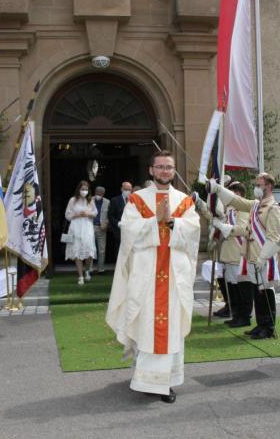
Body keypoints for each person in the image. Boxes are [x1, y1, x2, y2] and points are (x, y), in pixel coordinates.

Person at [106, 150, 200, 403]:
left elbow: (193, 233)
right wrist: (154, 221)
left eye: (169, 167)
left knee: (170, 330)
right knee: (145, 325)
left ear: (173, 170)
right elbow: (128, 233)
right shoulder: (137, 200)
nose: (165, 171)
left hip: (174, 277)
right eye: (160, 167)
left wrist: (172, 222)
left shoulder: (184, 201)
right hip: (146, 276)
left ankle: (164, 383)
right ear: (151, 170)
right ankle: (144, 378)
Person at [208, 173, 280, 338]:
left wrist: (263, 257)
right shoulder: (255, 205)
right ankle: (260, 324)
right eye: (256, 185)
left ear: (269, 186)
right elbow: (237, 201)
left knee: (265, 292)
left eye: (259, 185)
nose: (256, 188)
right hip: (251, 255)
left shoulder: (273, 208)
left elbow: (274, 237)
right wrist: (218, 189)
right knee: (257, 292)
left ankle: (268, 327)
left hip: (264, 257)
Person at [196, 181, 249, 319]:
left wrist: (224, 227)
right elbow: (213, 215)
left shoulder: (243, 209)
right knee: (227, 283)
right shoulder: (229, 209)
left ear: (239, 194)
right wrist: (200, 203)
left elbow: (243, 229)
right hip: (224, 251)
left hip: (236, 251)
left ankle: (239, 312)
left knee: (237, 285)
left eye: (233, 193)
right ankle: (230, 307)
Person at [64, 180, 97, 285]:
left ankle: (87, 270)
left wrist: (88, 213)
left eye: (86, 189)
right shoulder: (72, 200)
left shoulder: (90, 200)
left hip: (87, 227)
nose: (84, 191)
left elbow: (95, 213)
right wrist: (77, 214)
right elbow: (67, 215)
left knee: (89, 252)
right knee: (77, 251)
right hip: (76, 227)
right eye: (82, 189)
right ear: (79, 189)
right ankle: (81, 276)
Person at [107, 181, 132, 264]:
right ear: (121, 189)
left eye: (129, 189)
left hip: (131, 230)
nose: (127, 191)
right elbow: (110, 215)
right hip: (119, 230)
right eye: (125, 189)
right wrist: (118, 223)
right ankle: (119, 266)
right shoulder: (115, 200)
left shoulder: (134, 199)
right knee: (119, 249)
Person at [88, 186, 110, 275]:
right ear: (95, 192)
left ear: (103, 194)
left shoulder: (107, 202)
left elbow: (109, 215)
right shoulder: (90, 200)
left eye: (100, 194)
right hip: (90, 227)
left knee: (102, 249)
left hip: (102, 228)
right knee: (90, 248)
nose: (98, 195)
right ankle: (90, 269)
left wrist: (106, 223)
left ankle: (101, 268)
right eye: (97, 193)